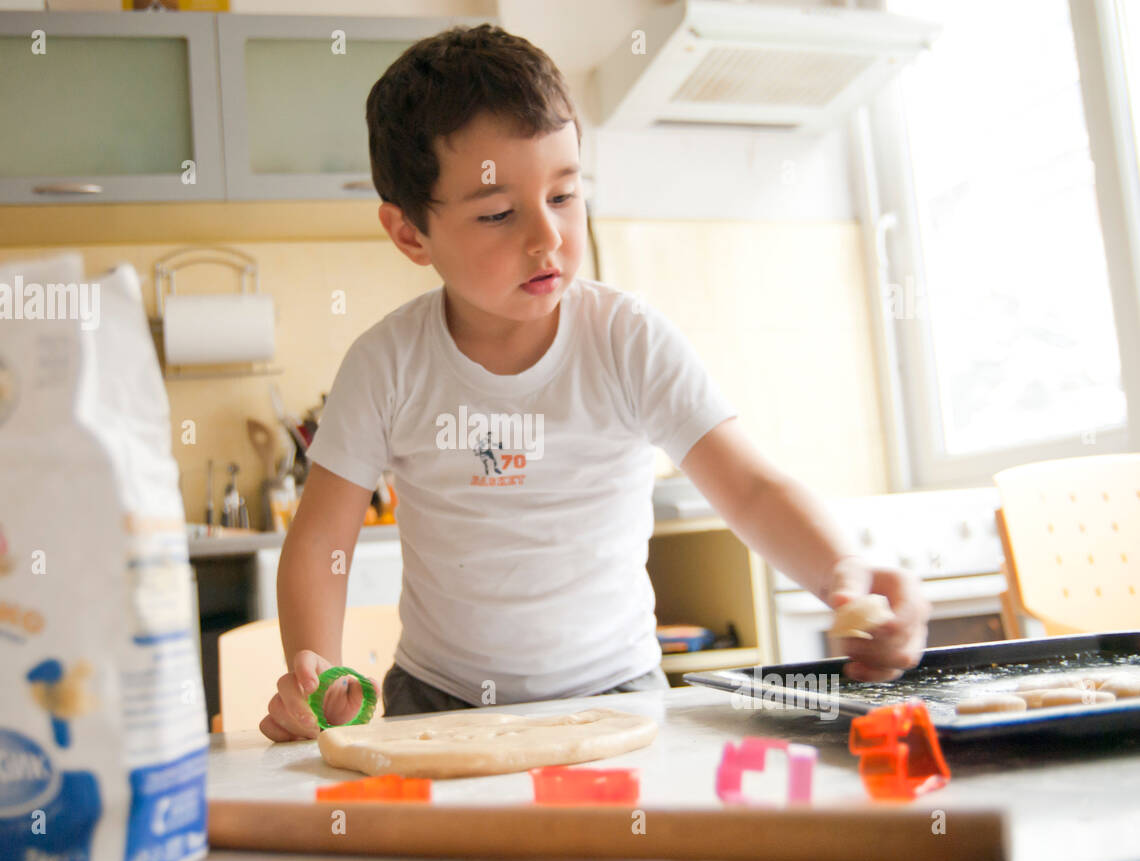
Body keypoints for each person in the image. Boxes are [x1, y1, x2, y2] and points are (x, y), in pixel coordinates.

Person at [259, 24, 930, 742]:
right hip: (439, 703)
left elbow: (751, 489)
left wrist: (843, 569)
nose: (545, 236)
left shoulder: (628, 339)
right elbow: (321, 540)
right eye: (497, 213)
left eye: (565, 194)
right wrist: (318, 671)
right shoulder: (386, 362)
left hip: (619, 697)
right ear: (410, 235)